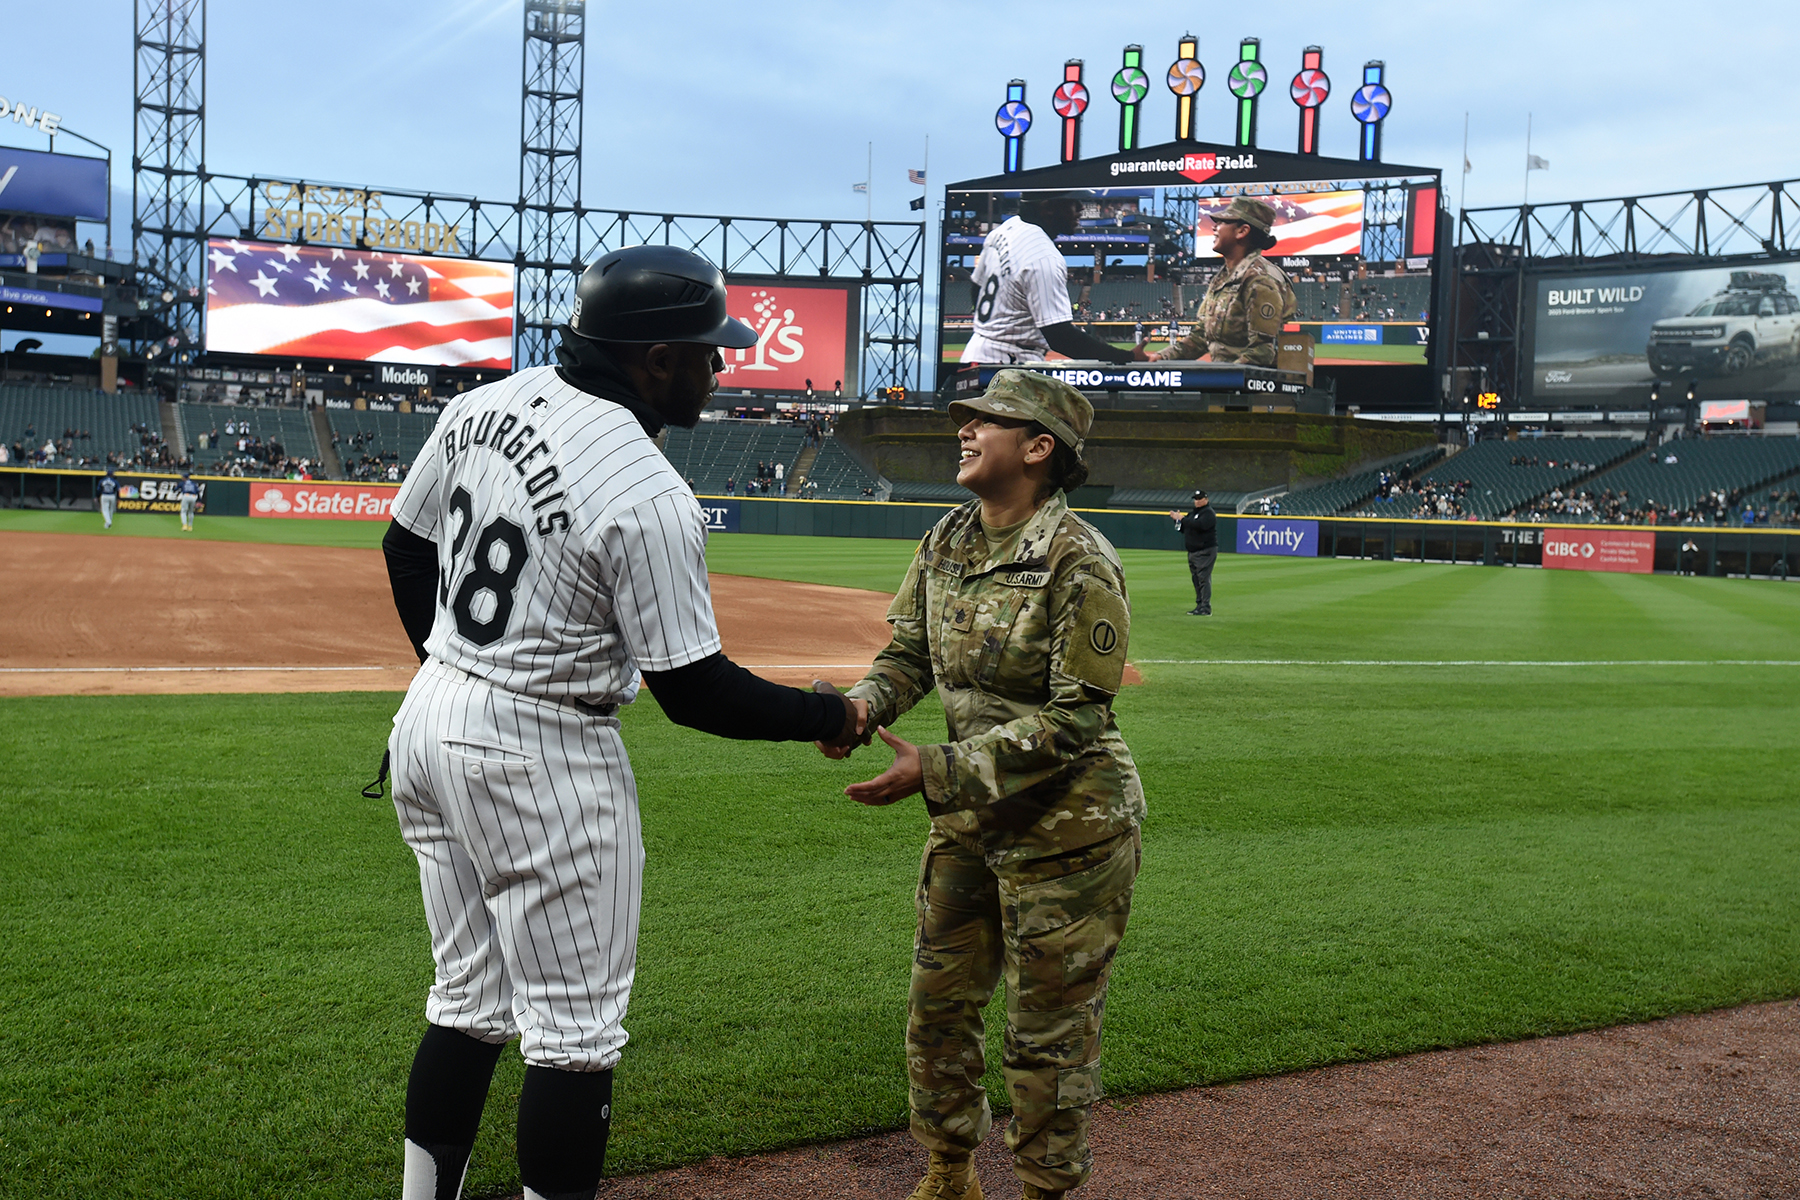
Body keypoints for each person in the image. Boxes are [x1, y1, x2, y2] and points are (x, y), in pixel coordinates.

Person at [377, 245, 869, 1200]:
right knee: (573, 1034)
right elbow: (696, 691)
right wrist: (829, 712)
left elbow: (404, 545)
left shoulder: (480, 404)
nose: (718, 367)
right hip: (543, 752)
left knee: (469, 1000)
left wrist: (452, 669)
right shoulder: (648, 491)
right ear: (653, 361)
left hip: (432, 715)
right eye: (704, 351)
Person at [828, 369, 1145, 1200]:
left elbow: (1078, 720)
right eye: (966, 421)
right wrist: (863, 706)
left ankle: (1043, 1190)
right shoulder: (947, 539)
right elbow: (909, 656)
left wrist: (933, 769)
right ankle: (949, 1173)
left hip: (1070, 829)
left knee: (1048, 1036)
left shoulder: (1082, 561)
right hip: (973, 817)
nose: (965, 431)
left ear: (1039, 449)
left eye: (988, 422)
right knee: (937, 1009)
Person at [961, 194, 1142, 366]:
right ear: (1048, 208)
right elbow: (1060, 337)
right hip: (1009, 363)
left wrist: (992, 326)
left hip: (975, 352)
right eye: (1072, 202)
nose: (1080, 208)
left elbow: (976, 286)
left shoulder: (1004, 230)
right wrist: (1127, 356)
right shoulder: (1043, 256)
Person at [1149, 197, 1297, 365]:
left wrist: (1224, 378)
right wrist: (1162, 356)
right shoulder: (1222, 278)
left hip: (1247, 386)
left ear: (1242, 231)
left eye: (1223, 222)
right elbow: (1202, 337)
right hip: (1225, 383)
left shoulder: (1260, 280)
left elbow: (1261, 352)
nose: (1214, 227)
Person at [1168, 490, 1217, 615]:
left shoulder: (1208, 513)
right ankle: (1200, 605)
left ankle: (1205, 607)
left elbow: (1200, 525)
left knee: (1203, 578)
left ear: (1206, 499)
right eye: (1195, 499)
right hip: (1193, 551)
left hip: (1205, 550)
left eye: (1199, 499)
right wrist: (1177, 520)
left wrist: (1183, 519)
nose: (1197, 501)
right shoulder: (1194, 513)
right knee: (1196, 579)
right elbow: (1184, 528)